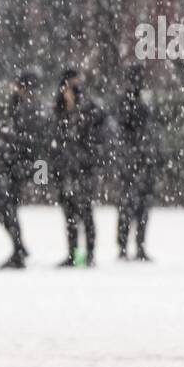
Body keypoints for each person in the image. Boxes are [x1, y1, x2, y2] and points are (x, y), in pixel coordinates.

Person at [50, 68, 110, 267]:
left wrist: (90, 162)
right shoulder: (58, 111)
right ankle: (73, 255)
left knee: (85, 213)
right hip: (65, 172)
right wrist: (45, 174)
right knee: (69, 216)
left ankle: (90, 255)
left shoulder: (90, 110)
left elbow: (100, 141)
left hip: (84, 171)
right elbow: (50, 144)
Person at [0, 71, 44, 269]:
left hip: (17, 166)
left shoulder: (32, 109)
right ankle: (18, 246)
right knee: (3, 205)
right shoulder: (19, 106)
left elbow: (31, 142)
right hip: (11, 164)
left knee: (5, 205)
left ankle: (18, 249)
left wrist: (6, 137)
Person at [116, 64, 161, 261]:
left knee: (137, 209)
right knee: (131, 209)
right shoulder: (130, 102)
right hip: (134, 164)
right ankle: (128, 246)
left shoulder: (144, 101)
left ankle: (133, 245)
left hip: (139, 163)